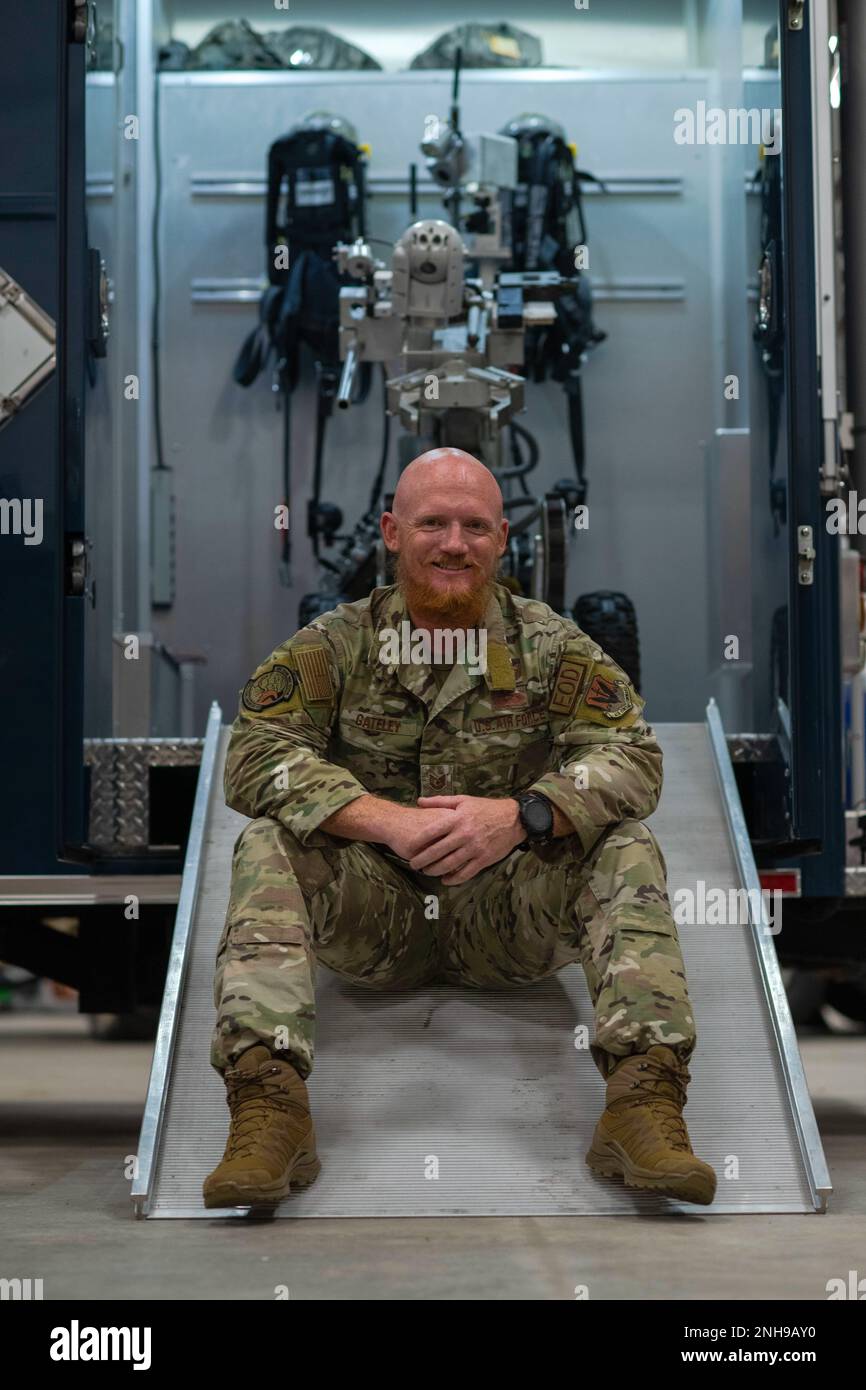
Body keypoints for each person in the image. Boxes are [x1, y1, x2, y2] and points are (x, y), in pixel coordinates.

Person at [203, 447, 716, 1209]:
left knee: (624, 844)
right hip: (376, 918)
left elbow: (632, 757)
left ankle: (642, 1107)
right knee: (268, 842)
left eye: (475, 526)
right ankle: (270, 1114)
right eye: (433, 524)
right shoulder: (335, 645)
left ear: (502, 539)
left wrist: (522, 815)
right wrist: (382, 821)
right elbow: (254, 755)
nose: (454, 544)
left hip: (507, 918)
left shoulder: (550, 646)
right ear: (391, 532)